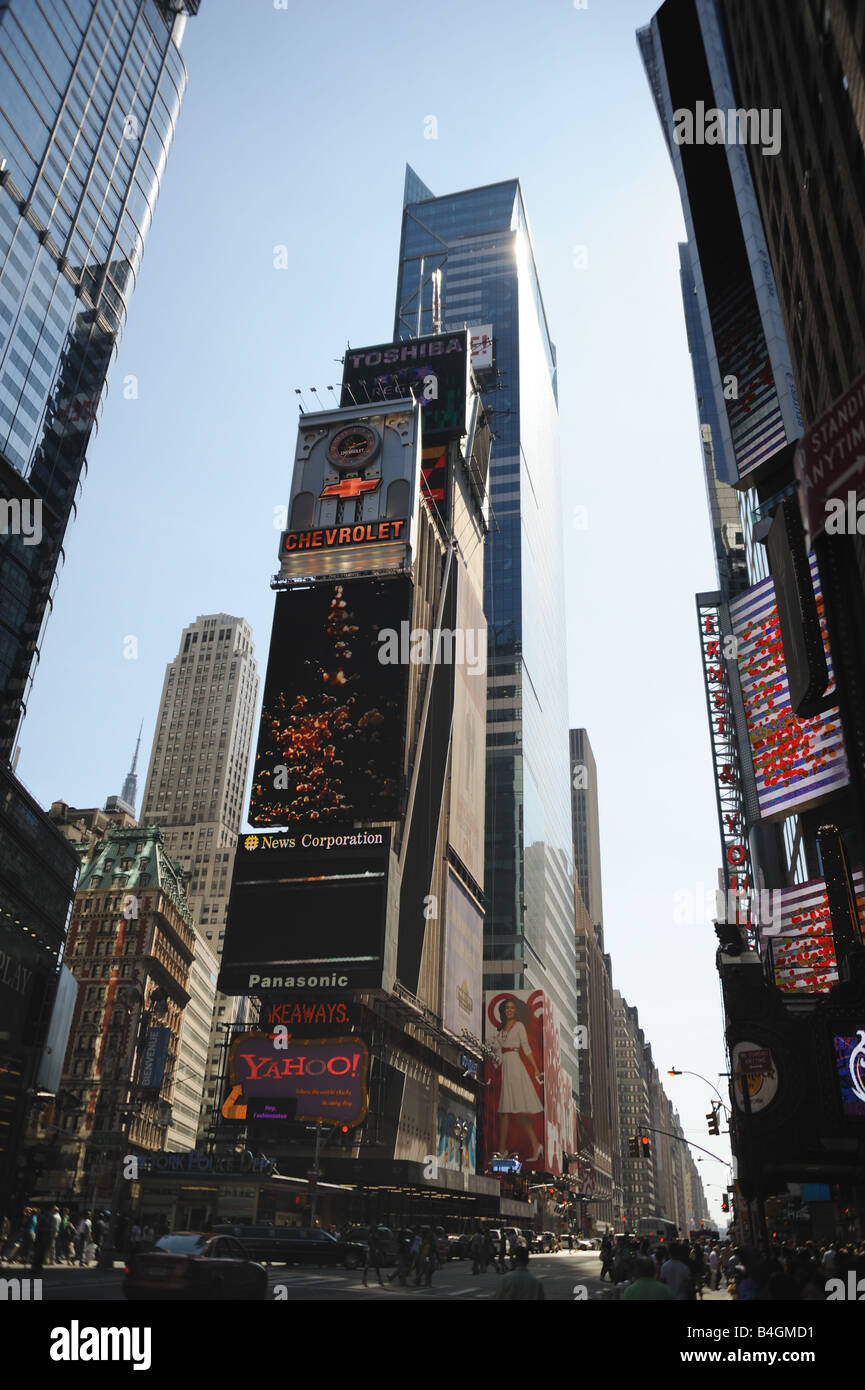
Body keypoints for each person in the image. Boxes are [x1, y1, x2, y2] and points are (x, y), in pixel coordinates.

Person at [491, 997, 544, 1164]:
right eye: (507, 1008)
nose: (509, 1010)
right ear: (503, 1010)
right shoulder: (500, 1030)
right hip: (506, 1067)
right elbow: (498, 1056)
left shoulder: (519, 1026)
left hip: (515, 1067)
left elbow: (526, 1047)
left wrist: (535, 1068)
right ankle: (503, 1150)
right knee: (505, 1111)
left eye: (512, 1008)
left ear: (516, 1011)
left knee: (518, 1111)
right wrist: (493, 1056)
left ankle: (535, 1145)